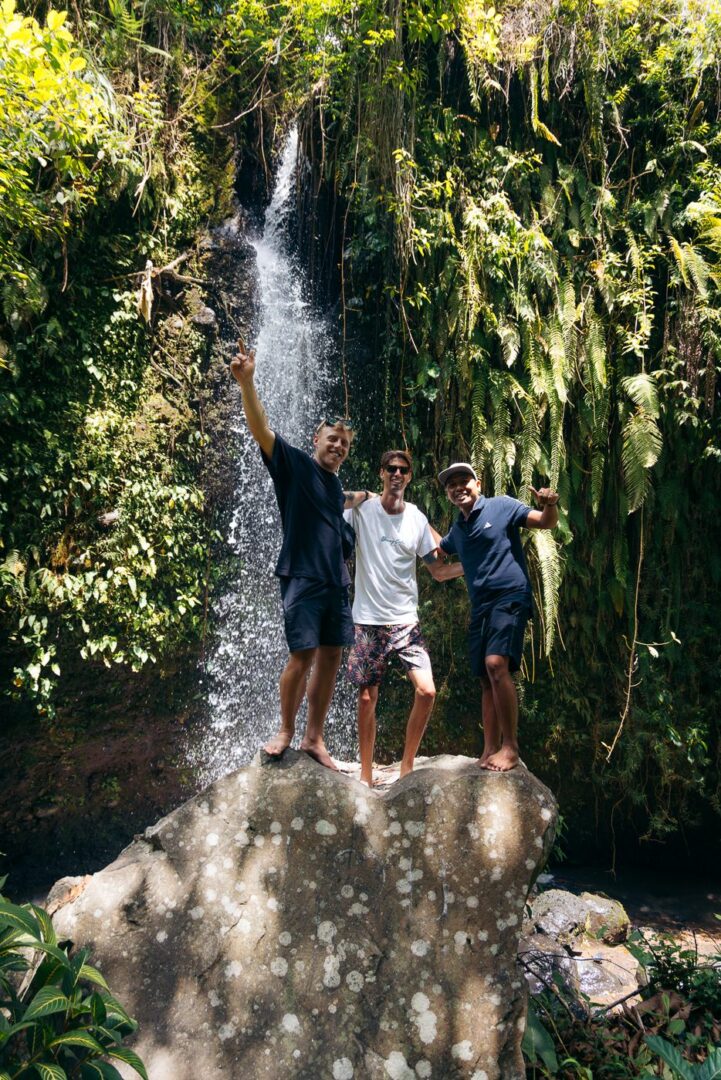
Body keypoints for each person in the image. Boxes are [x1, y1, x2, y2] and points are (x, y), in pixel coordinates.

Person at [230, 339, 371, 771]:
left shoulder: (332, 486)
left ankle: (315, 738)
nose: (339, 447)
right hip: (302, 576)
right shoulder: (293, 464)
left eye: (345, 444)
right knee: (303, 655)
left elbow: (344, 499)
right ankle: (287, 730)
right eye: (333, 439)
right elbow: (261, 429)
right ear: (317, 438)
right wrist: (247, 382)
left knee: (330, 656)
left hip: (335, 583)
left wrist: (366, 495)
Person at [345, 450, 464, 786]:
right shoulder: (362, 510)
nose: (396, 474)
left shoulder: (415, 518)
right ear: (381, 473)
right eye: (390, 469)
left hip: (405, 622)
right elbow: (328, 501)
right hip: (368, 619)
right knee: (367, 697)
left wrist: (473, 566)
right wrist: (365, 495)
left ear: (410, 476)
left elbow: (437, 570)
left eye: (403, 470)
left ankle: (406, 767)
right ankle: (366, 775)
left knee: (426, 691)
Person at [438, 462, 560, 772]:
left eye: (464, 480)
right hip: (481, 606)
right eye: (452, 484)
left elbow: (545, 522)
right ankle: (489, 747)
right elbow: (439, 548)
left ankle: (510, 747)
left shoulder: (501, 506)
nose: (458, 487)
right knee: (484, 677)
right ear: (448, 493)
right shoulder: (457, 530)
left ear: (478, 483)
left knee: (496, 665)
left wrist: (549, 505)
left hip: (510, 596)